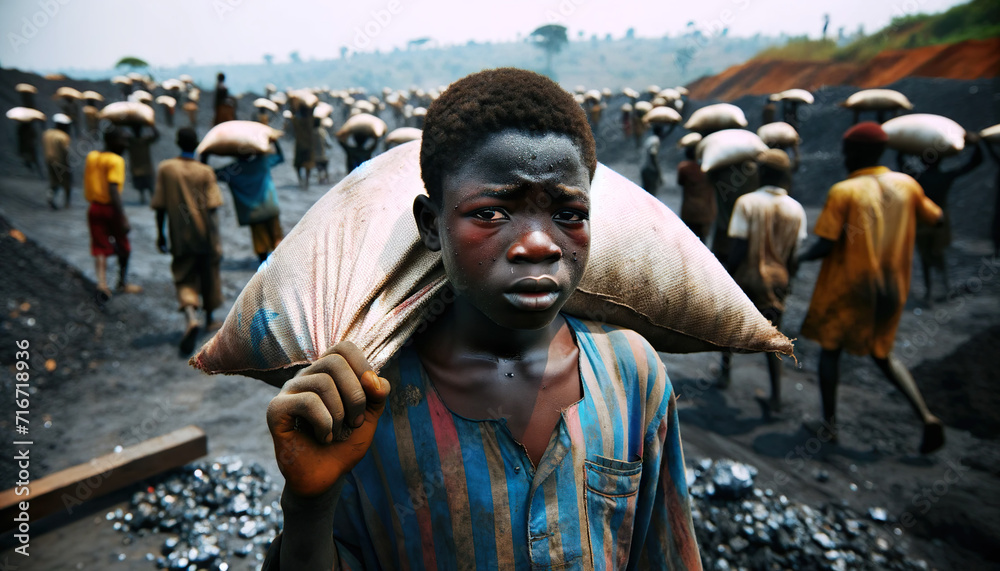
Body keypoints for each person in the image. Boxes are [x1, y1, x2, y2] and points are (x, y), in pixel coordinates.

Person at [262, 68, 702, 570]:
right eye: (492, 212)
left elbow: (666, 552)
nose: (538, 244)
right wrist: (307, 509)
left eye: (568, 214)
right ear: (432, 225)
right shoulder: (368, 402)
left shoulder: (631, 372)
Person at [798, 122, 945, 454]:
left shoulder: (844, 191)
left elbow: (825, 244)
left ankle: (830, 426)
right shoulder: (906, 184)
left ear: (854, 153)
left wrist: (796, 258)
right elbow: (937, 219)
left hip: (849, 288)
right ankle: (926, 416)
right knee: (882, 353)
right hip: (892, 289)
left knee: (830, 351)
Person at [719, 150, 806, 415]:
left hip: (748, 276)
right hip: (778, 279)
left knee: (731, 326)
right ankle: (776, 396)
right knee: (772, 336)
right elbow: (793, 255)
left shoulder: (747, 203)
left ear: (761, 173)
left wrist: (725, 276)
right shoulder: (796, 208)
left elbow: (739, 247)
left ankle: (725, 373)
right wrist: (787, 283)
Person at [152, 128, 225, 355]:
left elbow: (160, 207)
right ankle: (210, 318)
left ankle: (191, 317)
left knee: (184, 276)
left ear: (177, 141)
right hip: (204, 235)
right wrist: (217, 240)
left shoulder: (166, 169)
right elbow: (213, 209)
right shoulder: (205, 171)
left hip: (179, 235)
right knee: (208, 273)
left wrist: (160, 234)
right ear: (196, 145)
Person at [897, 134, 983, 304]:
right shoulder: (946, 177)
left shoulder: (918, 177)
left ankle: (929, 292)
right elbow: (975, 162)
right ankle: (944, 287)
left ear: (922, 160)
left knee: (925, 256)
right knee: (938, 253)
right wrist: (977, 145)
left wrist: (905, 145)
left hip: (922, 221)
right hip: (941, 221)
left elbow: (900, 161)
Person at [84, 126, 142, 300]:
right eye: (122, 140)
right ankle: (121, 283)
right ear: (112, 141)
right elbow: (113, 189)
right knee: (124, 246)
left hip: (94, 208)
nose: (125, 144)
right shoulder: (116, 160)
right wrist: (122, 217)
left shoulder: (92, 156)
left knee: (99, 247)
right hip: (111, 209)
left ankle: (102, 284)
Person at [208, 140, 285, 263]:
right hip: (270, 207)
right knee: (277, 238)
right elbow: (280, 157)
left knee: (261, 244)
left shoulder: (232, 171)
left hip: (252, 212)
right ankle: (281, 264)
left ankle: (265, 269)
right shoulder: (262, 162)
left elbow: (210, 174)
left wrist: (205, 156)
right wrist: (274, 142)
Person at [677, 144, 717, 243]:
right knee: (702, 241)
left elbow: (680, 182)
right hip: (705, 211)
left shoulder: (683, 168)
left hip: (689, 210)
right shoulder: (708, 169)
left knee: (689, 240)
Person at [43, 114, 73, 209]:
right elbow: (65, 152)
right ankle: (67, 202)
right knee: (66, 182)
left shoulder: (47, 133)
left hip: (49, 160)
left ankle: (50, 196)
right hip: (60, 162)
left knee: (53, 180)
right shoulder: (63, 136)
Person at [127, 123, 160, 204]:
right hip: (144, 167)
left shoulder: (131, 141)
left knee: (145, 185)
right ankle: (150, 198)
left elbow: (156, 136)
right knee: (148, 185)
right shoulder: (142, 140)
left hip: (139, 167)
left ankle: (148, 198)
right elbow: (156, 136)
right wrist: (152, 126)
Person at [640, 124, 672, 195]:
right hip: (650, 169)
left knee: (645, 191)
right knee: (651, 192)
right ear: (660, 132)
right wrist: (657, 170)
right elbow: (652, 154)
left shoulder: (650, 139)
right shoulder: (656, 141)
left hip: (644, 168)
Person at [292, 104, 315, 189]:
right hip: (308, 145)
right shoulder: (310, 121)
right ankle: (306, 181)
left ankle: (300, 180)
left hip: (300, 145)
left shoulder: (297, 121)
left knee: (298, 164)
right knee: (308, 164)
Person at [312, 117, 333, 185]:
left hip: (315, 156)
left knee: (319, 169)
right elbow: (329, 143)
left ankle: (320, 179)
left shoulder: (312, 132)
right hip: (324, 155)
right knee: (325, 169)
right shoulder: (323, 132)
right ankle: (327, 180)